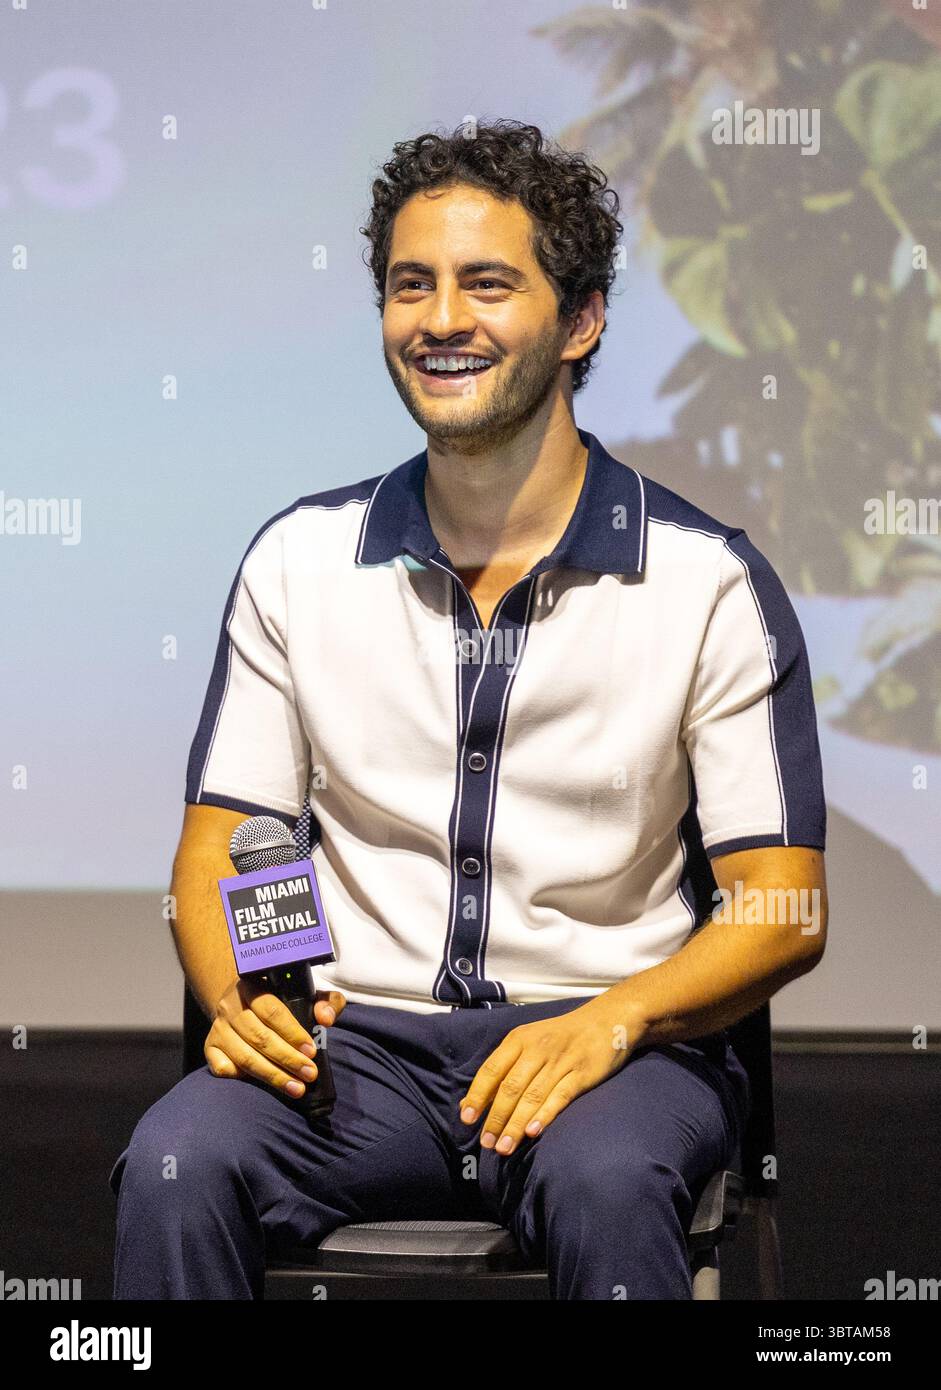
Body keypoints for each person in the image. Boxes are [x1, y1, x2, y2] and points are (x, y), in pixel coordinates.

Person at [109, 119, 828, 1300]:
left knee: (606, 1184)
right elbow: (215, 856)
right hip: (358, 1056)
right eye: (410, 286)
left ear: (581, 319)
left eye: (486, 284)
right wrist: (241, 1005)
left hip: (608, 1049)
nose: (439, 319)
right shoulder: (298, 559)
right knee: (179, 1160)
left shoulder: (704, 580)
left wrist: (616, 1021)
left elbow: (781, 908)